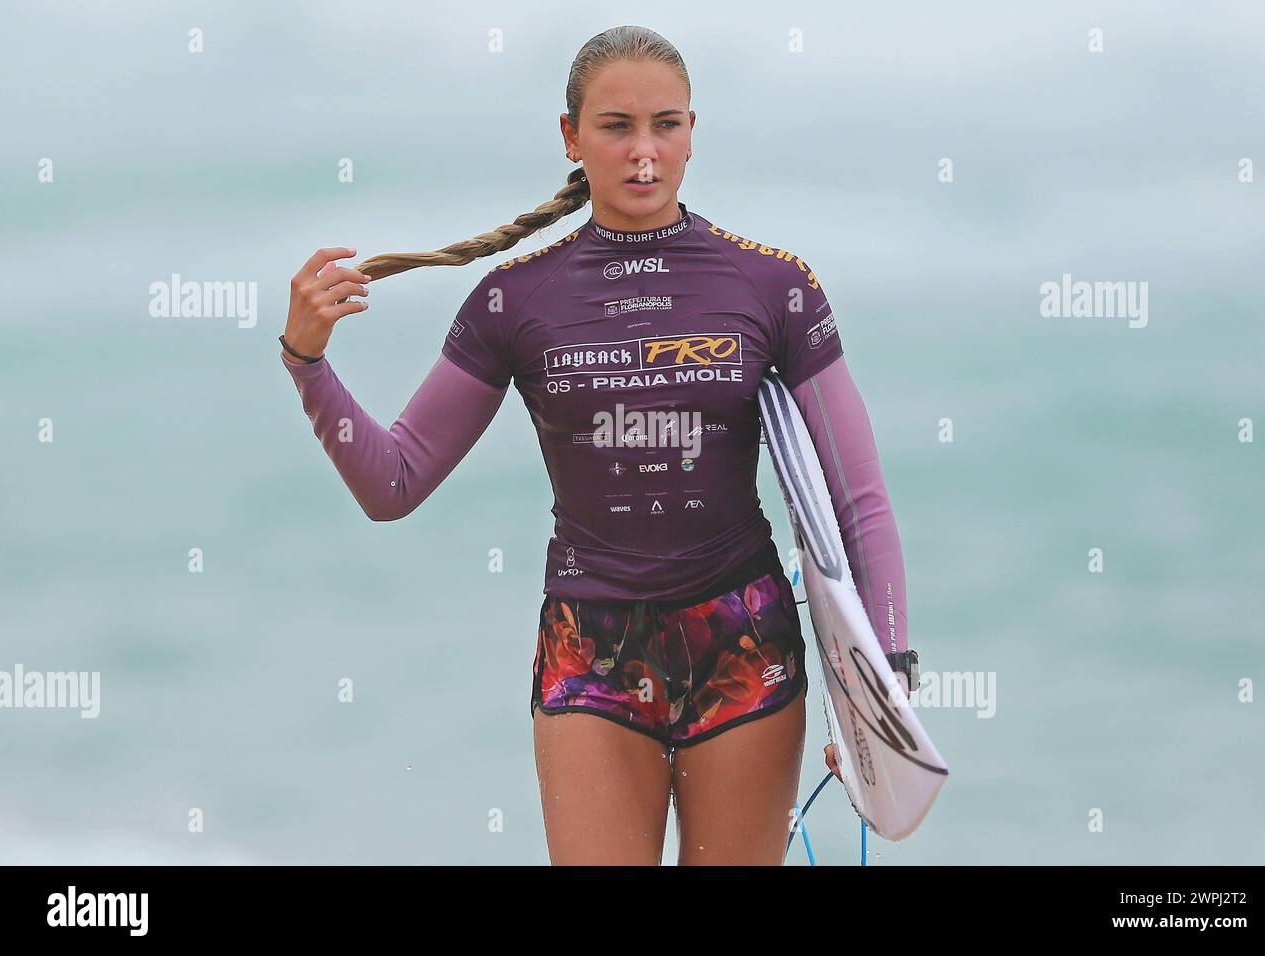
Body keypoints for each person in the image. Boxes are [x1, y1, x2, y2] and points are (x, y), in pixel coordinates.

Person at [279, 25, 910, 865]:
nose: (644, 152)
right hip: (590, 652)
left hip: (744, 641)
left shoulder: (773, 287)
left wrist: (887, 683)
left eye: (667, 125)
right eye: (616, 126)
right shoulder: (513, 300)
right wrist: (307, 361)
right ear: (572, 137)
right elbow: (393, 483)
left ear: (693, 132)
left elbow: (854, 500)